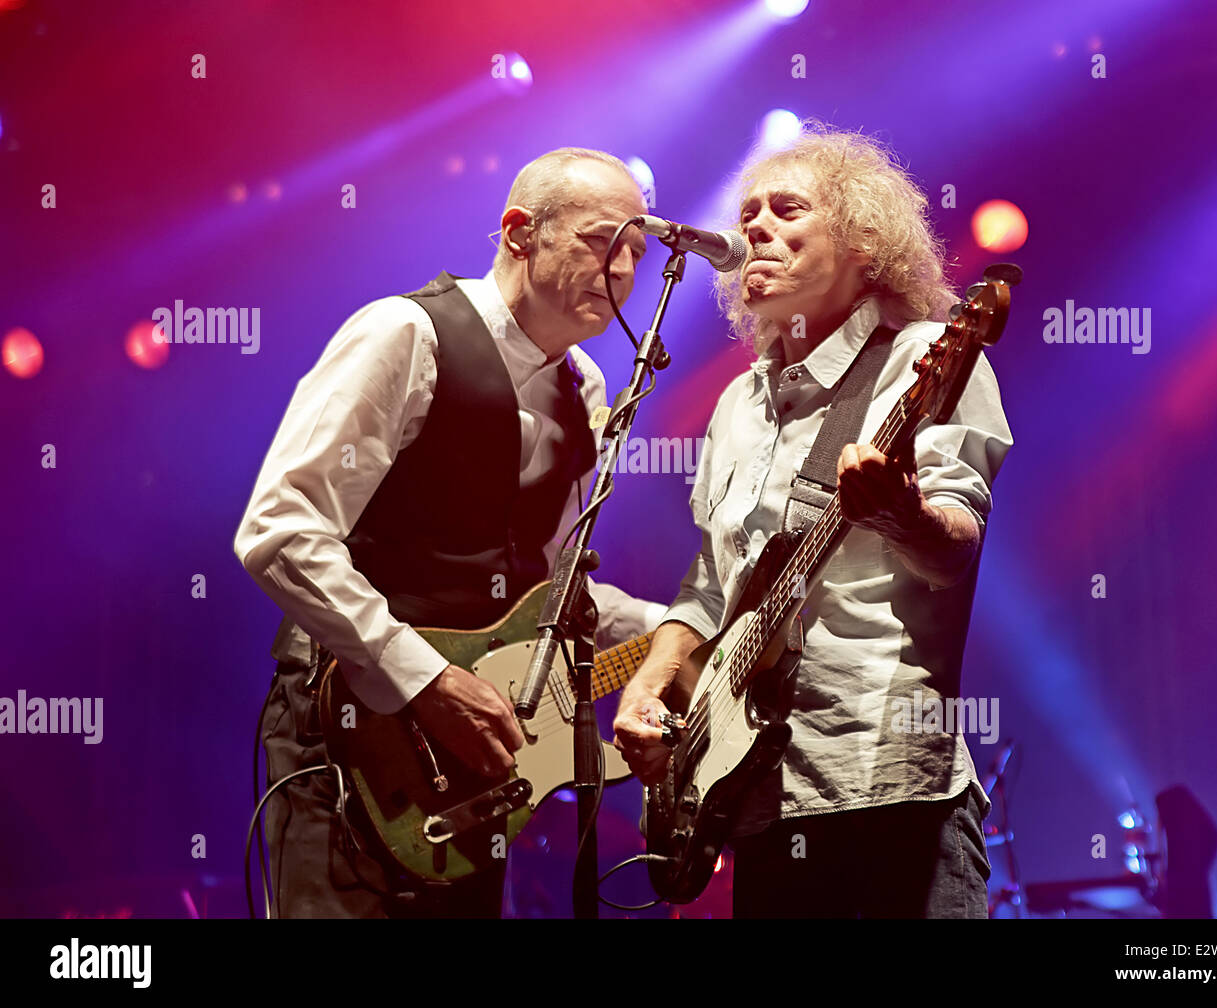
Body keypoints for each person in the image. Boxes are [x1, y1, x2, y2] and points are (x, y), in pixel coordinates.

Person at [235, 147, 666, 918]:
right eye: (604, 240)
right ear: (518, 232)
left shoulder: (586, 387)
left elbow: (552, 586)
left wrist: (678, 634)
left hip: (471, 765)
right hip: (347, 735)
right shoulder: (405, 334)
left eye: (637, 249)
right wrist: (427, 681)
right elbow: (282, 528)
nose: (626, 268)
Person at [613, 122, 1014, 918]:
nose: (754, 225)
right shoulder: (737, 403)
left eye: (787, 208)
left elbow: (953, 554)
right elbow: (709, 586)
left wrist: (900, 512)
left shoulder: (926, 358)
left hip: (889, 790)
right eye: (749, 209)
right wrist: (653, 683)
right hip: (758, 802)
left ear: (866, 244)